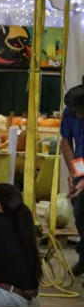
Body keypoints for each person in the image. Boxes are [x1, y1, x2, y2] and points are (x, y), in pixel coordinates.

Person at [61, 84, 84, 276]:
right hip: (81, 164)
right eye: (73, 111)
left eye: (80, 111)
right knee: (80, 212)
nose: (77, 116)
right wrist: (74, 172)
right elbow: (66, 141)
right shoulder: (69, 113)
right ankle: (83, 258)